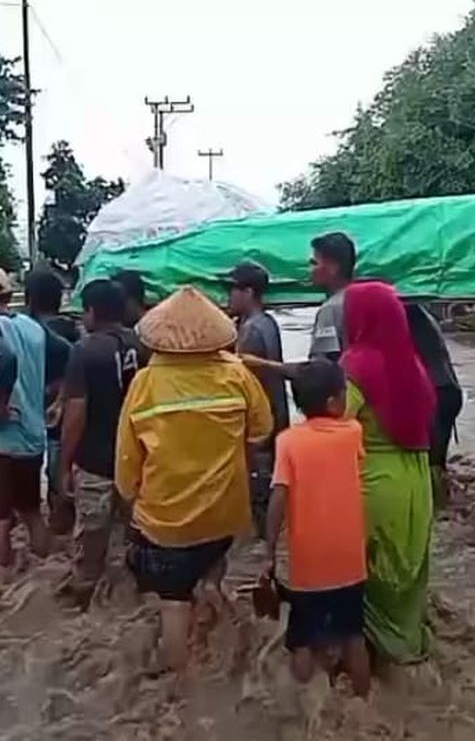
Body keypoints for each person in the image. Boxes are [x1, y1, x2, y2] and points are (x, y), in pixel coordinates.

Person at [116, 286, 273, 671]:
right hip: (224, 511)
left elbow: (127, 459)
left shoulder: (146, 383)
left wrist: (129, 498)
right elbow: (261, 431)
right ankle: (211, 599)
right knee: (211, 560)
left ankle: (177, 687)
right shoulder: (237, 374)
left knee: (173, 601)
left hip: (167, 520)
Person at [340, 281, 435, 665]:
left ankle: (378, 661)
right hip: (416, 476)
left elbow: (336, 423)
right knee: (408, 568)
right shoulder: (412, 363)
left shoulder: (356, 363)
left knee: (370, 574)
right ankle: (410, 646)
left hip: (376, 480)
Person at [265, 360, 371, 696]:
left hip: (308, 566)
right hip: (350, 562)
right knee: (354, 635)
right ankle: (363, 701)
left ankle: (302, 702)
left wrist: (268, 549)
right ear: (333, 403)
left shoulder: (287, 442)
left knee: (303, 641)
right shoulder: (353, 433)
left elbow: (278, 498)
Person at [57, 279, 146, 607]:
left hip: (96, 465)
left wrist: (63, 464)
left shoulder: (85, 349)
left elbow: (76, 413)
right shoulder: (144, 345)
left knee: (90, 551)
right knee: (137, 542)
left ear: (92, 311)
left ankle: (83, 611)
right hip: (139, 464)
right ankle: (134, 606)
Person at [0, 265, 51, 571]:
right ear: (9, 294)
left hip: (0, 440)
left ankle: (2, 590)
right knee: (31, 512)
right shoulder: (33, 328)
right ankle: (45, 570)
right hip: (33, 436)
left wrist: (0, 407)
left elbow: (6, 361)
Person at [227, 261, 290, 533]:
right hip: (275, 412)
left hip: (259, 418)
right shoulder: (268, 322)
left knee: (259, 484)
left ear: (248, 292)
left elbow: (242, 376)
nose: (228, 296)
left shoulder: (251, 330)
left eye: (232, 289)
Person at [23, 269, 76, 534]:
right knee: (61, 480)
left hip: (27, 421)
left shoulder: (23, 330)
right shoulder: (72, 329)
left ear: (29, 298)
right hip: (66, 419)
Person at [404, 302, 463, 508]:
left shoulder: (405, 317)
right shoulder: (421, 312)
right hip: (448, 389)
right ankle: (442, 502)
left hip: (436, 392)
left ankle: (435, 506)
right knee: (435, 459)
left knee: (429, 460)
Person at [308, 232, 356, 361]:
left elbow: (322, 366)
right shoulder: (367, 299)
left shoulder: (331, 308)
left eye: (314, 263)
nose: (310, 270)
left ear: (332, 267)